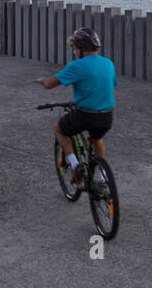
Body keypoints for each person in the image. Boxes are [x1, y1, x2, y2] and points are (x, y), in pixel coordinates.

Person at [37, 27, 116, 185]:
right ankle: (102, 179)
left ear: (81, 48)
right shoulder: (108, 63)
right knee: (97, 139)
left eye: (73, 47)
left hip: (85, 116)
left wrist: (41, 80)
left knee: (59, 128)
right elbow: (107, 85)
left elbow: (50, 84)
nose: (73, 51)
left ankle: (75, 165)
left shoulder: (77, 65)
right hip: (107, 117)